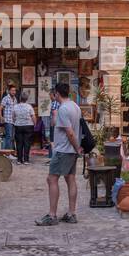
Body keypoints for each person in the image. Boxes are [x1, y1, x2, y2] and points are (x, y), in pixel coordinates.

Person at [37, 82, 81, 226]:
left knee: (52, 179)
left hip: (63, 150)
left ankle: (52, 215)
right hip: (71, 150)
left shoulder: (63, 109)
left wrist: (77, 147)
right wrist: (76, 149)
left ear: (56, 93)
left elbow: (69, 132)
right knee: (71, 179)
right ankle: (71, 213)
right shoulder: (75, 106)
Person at [12, 91, 36, 164]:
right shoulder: (29, 107)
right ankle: (26, 160)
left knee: (19, 143)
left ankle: (19, 160)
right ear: (26, 99)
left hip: (18, 126)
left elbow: (13, 117)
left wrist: (16, 122)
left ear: (20, 98)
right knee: (27, 143)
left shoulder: (15, 106)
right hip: (28, 126)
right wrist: (34, 124)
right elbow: (33, 117)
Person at [0, 82, 17, 152]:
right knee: (8, 136)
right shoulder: (6, 98)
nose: (13, 92)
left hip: (14, 121)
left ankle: (11, 152)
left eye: (14, 90)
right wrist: (1, 117)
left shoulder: (15, 99)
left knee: (12, 137)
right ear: (9, 91)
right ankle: (7, 153)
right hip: (8, 120)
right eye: (12, 90)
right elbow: (0, 108)